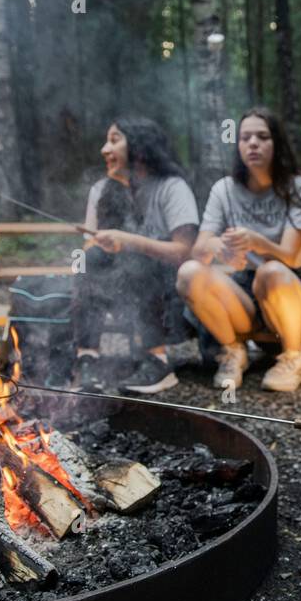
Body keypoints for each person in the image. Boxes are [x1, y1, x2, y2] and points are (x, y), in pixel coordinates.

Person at [177, 108, 301, 392]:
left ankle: (294, 358)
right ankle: (233, 351)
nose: (252, 143)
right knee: (189, 273)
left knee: (271, 271)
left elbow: (291, 256)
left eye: (262, 137)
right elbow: (199, 250)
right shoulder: (224, 190)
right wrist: (218, 247)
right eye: (245, 138)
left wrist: (257, 241)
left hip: (293, 289)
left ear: (276, 143)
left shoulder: (299, 187)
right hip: (244, 291)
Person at [72, 116, 199, 394]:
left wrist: (128, 241)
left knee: (137, 259)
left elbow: (183, 252)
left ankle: (158, 360)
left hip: (170, 292)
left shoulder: (171, 187)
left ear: (140, 148)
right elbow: (87, 250)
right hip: (119, 288)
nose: (105, 149)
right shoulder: (101, 190)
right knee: (88, 261)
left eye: (114, 141)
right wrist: (98, 246)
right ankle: (88, 359)